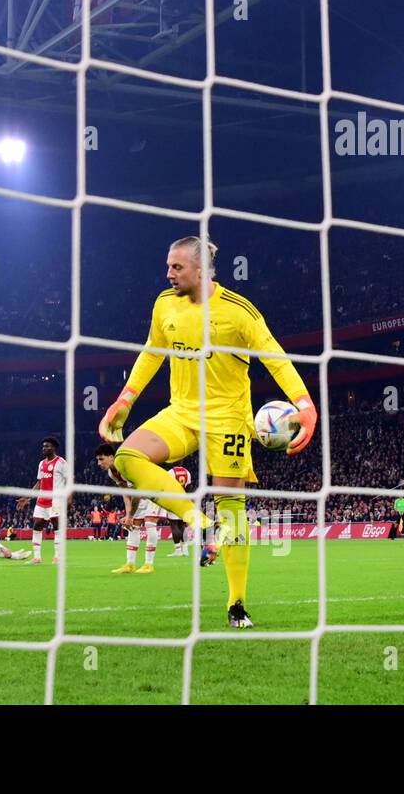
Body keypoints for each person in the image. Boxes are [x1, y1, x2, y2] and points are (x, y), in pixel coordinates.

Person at [98, 236, 317, 630]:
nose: (168, 274)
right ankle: (198, 522)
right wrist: (126, 399)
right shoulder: (165, 304)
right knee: (129, 457)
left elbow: (276, 358)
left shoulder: (239, 312)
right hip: (181, 412)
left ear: (201, 271)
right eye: (168, 266)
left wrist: (305, 405)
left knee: (232, 508)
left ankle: (237, 604)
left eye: (176, 267)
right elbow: (152, 352)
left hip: (229, 419)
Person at [15, 437, 67, 564]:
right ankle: (37, 557)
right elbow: (39, 482)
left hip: (55, 501)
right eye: (43, 446)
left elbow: (69, 480)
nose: (44, 448)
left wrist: (68, 498)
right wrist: (27, 497)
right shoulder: (41, 464)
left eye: (47, 446)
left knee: (56, 525)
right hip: (41, 501)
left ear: (54, 448)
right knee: (37, 525)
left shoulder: (61, 462)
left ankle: (57, 557)